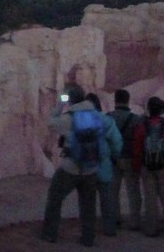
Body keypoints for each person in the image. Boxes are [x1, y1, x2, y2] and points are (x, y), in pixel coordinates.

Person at [42, 84, 111, 246]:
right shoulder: (96, 115)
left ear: (70, 98)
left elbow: (51, 124)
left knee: (54, 198)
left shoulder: (69, 118)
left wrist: (59, 104)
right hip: (91, 167)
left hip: (71, 166)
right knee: (88, 205)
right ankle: (88, 238)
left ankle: (49, 233)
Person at [132, 96, 164, 237]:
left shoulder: (142, 127)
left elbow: (136, 149)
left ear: (148, 109)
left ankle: (151, 229)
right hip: (163, 165)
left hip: (147, 166)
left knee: (150, 198)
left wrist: (137, 166)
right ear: (161, 110)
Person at [86, 93, 123, 236]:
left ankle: (88, 231)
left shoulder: (78, 121)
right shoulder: (106, 120)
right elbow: (116, 142)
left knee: (87, 202)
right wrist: (114, 156)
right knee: (107, 200)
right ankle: (109, 229)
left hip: (85, 167)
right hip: (103, 165)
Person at [107, 89, 143, 231]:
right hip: (129, 158)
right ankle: (135, 221)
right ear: (128, 100)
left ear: (115, 100)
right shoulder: (136, 119)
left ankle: (115, 218)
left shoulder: (108, 117)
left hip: (113, 158)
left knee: (112, 191)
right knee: (133, 191)